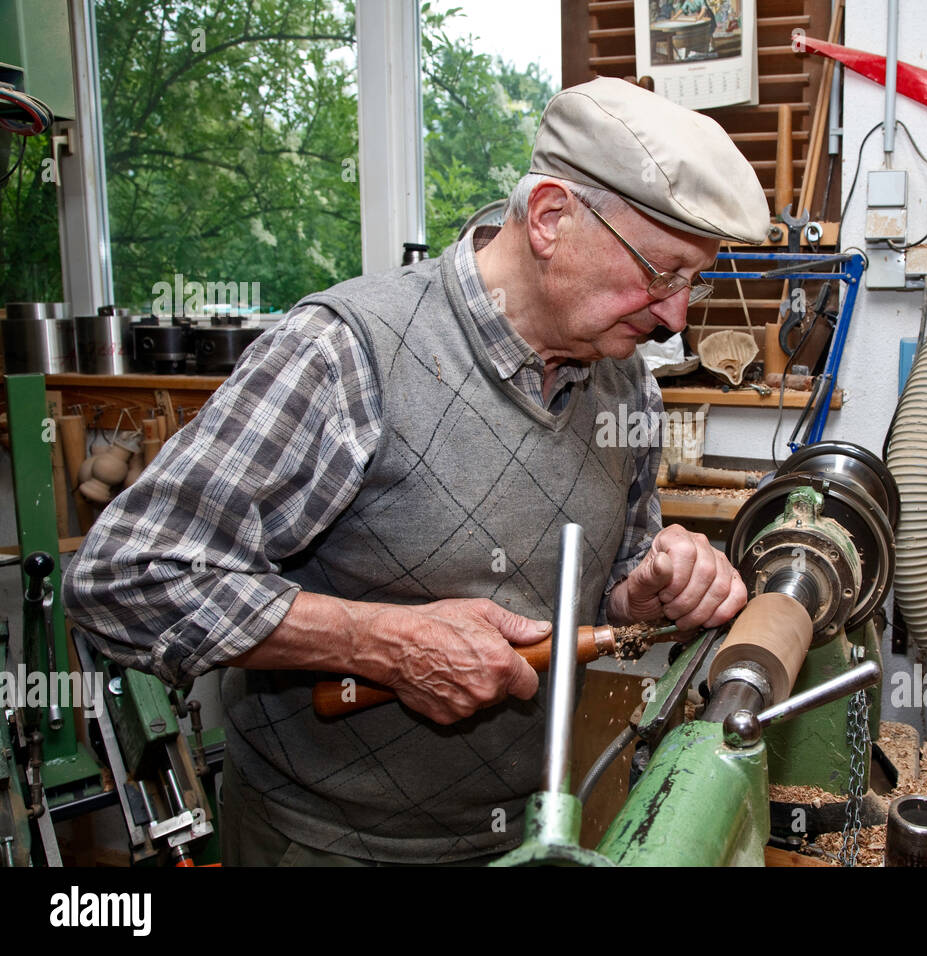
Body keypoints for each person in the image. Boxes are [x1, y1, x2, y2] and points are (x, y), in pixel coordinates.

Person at [62, 77, 771, 865]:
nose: (676, 317)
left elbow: (609, 574)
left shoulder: (624, 376)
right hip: (328, 844)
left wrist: (649, 585)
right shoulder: (346, 352)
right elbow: (125, 579)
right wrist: (381, 643)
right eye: (661, 272)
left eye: (693, 281)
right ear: (549, 218)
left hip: (532, 828)